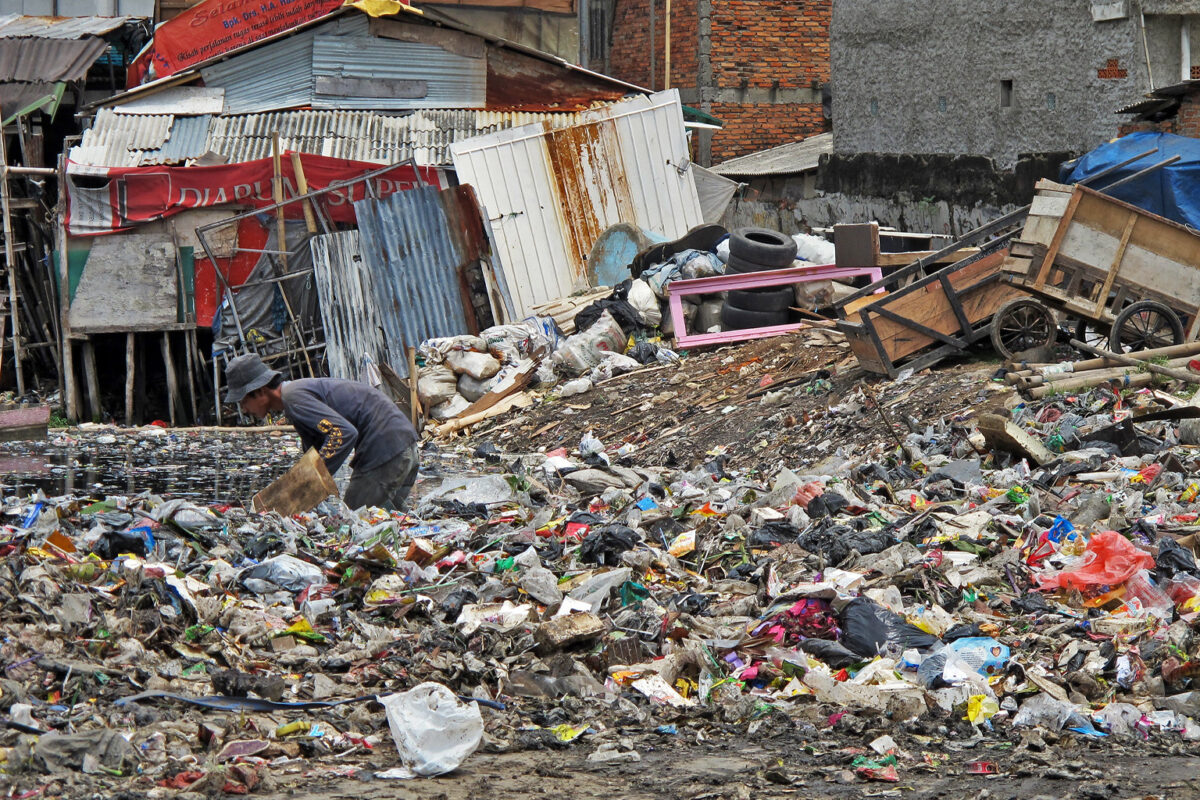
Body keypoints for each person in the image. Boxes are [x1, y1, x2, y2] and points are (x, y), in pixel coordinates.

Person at [224, 354, 419, 510]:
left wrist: (313, 480)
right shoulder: (294, 399)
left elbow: (342, 434)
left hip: (386, 451)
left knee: (355, 523)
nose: (244, 409)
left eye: (243, 402)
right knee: (389, 524)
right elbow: (315, 452)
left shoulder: (294, 398)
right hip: (403, 445)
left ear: (259, 391)